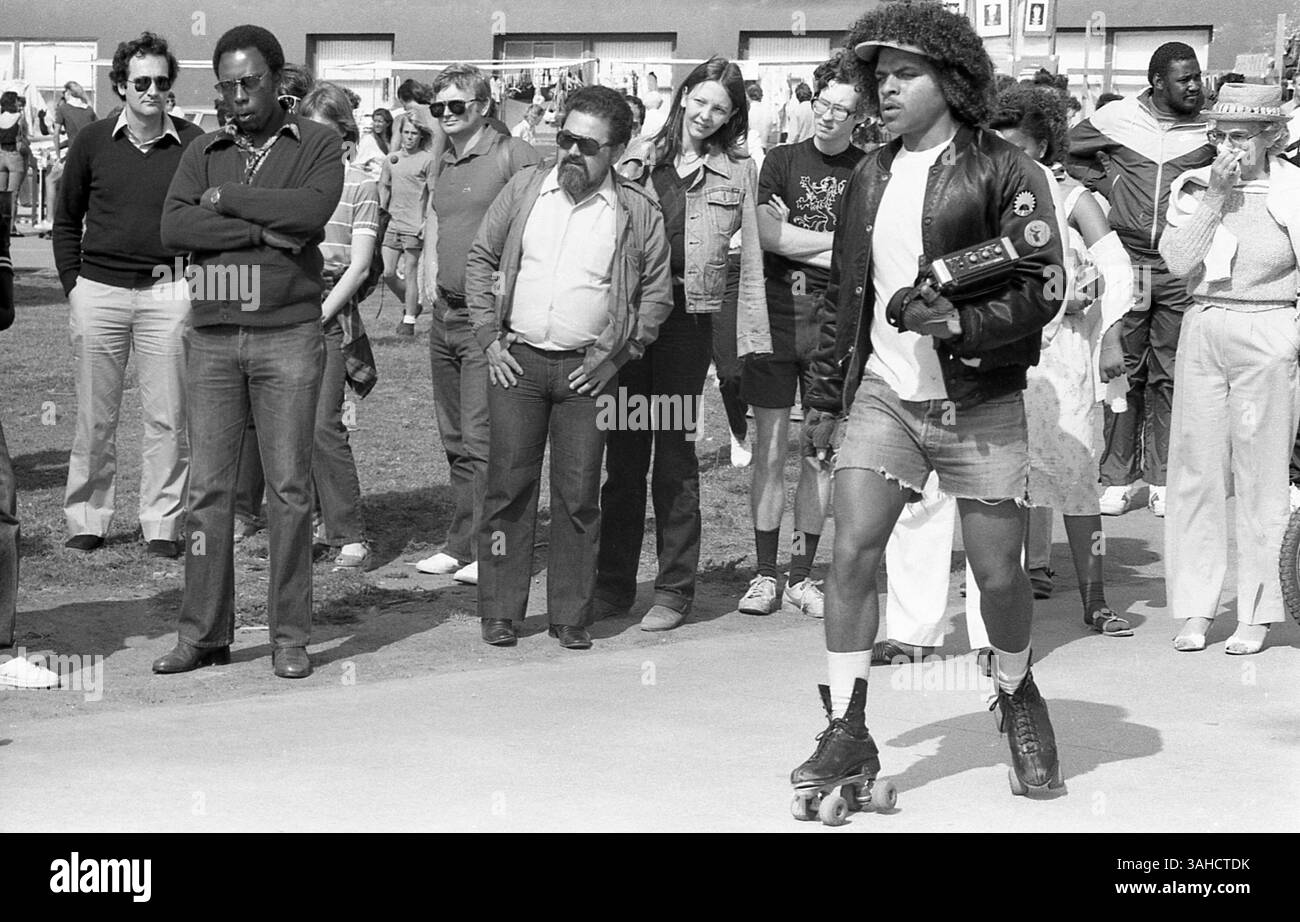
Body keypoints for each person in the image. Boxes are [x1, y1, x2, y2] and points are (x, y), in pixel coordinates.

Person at [790, 3, 1064, 800]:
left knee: (998, 577)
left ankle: (1015, 692)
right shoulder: (870, 174)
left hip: (978, 399)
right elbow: (850, 295)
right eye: (880, 76)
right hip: (886, 397)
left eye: (905, 74)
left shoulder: (1008, 170)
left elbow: (1045, 283)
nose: (887, 89)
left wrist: (964, 321)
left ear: (951, 79)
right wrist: (822, 393)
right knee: (851, 553)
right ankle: (847, 729)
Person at [153, 24, 344, 679]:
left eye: (249, 83)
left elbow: (312, 214)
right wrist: (269, 228)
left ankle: (290, 636)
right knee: (208, 492)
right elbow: (174, 225)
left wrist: (230, 202)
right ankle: (204, 633)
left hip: (288, 336)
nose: (236, 96)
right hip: (211, 337)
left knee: (288, 492)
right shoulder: (203, 147)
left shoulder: (317, 141)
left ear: (276, 79)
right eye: (226, 85)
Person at [465, 85, 674, 649]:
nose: (570, 152)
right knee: (507, 491)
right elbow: (482, 256)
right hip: (519, 366)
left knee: (579, 497)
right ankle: (500, 610)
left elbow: (656, 295)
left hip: (589, 375)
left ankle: (569, 615)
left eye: (586, 144)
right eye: (565, 138)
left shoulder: (635, 209)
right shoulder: (527, 189)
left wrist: (618, 358)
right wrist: (489, 336)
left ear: (616, 150)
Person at [594, 56, 770, 632]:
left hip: (687, 327)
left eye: (721, 109)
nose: (707, 114)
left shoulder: (738, 171)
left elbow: (754, 264)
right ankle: (613, 587)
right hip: (631, 322)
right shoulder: (634, 157)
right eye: (701, 100)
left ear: (732, 116)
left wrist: (748, 337)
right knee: (622, 459)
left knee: (672, 458)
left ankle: (674, 592)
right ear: (684, 94)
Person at [1160, 84, 1300, 656]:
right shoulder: (1194, 187)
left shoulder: (1292, 189)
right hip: (1205, 322)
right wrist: (1215, 196)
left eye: (1239, 135)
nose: (1226, 145)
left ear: (1271, 137)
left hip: (1269, 328)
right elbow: (1176, 260)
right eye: (1218, 133)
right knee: (1195, 472)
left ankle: (1258, 611)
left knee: (1262, 475)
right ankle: (1196, 605)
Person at [988, 83, 1133, 634]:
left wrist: (1106, 326)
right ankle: (1009, 583)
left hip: (1066, 357)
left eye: (1018, 148)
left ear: (1042, 144)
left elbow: (1119, 270)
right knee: (1007, 472)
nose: (1008, 160)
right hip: (1005, 355)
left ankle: (1095, 598)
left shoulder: (1075, 198)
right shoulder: (987, 199)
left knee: (1075, 477)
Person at [53, 32, 203, 559]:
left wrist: (190, 287)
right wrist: (75, 287)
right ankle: (88, 516)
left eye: (162, 82)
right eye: (142, 82)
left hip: (168, 294)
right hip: (99, 292)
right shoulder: (92, 141)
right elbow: (66, 219)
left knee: (168, 417)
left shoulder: (193, 143)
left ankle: (161, 523)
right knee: (96, 416)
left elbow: (207, 221)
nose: (153, 91)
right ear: (121, 85)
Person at [739, 60, 867, 620]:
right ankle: (764, 575)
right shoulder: (781, 159)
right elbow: (767, 234)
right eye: (822, 102)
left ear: (859, 118)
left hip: (834, 323)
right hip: (774, 315)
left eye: (841, 108)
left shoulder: (870, 170)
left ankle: (800, 576)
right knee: (768, 449)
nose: (828, 115)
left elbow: (865, 249)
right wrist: (834, 244)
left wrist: (802, 240)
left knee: (818, 452)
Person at [1067, 42, 1214, 518]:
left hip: (1179, 261)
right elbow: (1072, 154)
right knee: (1122, 371)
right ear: (1157, 83)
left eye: (1197, 77)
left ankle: (1162, 478)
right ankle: (1117, 478)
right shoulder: (1116, 119)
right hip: (1128, 261)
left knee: (1170, 374)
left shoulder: (1209, 128)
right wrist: (1110, 187)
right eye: (1185, 79)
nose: (1196, 86)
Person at [412, 63, 539, 585]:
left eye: (456, 106)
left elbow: (540, 228)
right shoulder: (444, 159)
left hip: (488, 321)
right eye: (438, 108)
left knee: (483, 438)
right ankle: (461, 542)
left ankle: (491, 549)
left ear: (483, 106)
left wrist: (507, 312)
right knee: (455, 438)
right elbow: (437, 226)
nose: (445, 115)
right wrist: (424, 288)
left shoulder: (514, 155)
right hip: (444, 316)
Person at [299, 81, 379, 570]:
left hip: (327, 318)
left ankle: (349, 533)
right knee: (286, 429)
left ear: (344, 136)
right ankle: (303, 525)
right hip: (284, 311)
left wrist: (323, 312)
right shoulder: (288, 183)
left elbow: (361, 265)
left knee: (324, 425)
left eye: (324, 133)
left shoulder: (361, 185)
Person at [381, 117, 434, 335]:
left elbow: (432, 192)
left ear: (421, 135)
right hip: (393, 222)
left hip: (414, 225)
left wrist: (426, 221)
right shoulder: (391, 159)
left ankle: (409, 320)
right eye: (406, 133)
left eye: (414, 133)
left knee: (411, 272)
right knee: (387, 272)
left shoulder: (428, 160)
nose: (410, 137)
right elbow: (384, 185)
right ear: (400, 134)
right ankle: (413, 303)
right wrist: (381, 211)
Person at [0, 92, 29, 237]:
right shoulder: (19, 118)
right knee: (12, 194)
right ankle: (10, 228)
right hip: (14, 156)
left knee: (1, 193)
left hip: (1, 155)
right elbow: (24, 135)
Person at [355, 107, 392, 178]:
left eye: (380, 121)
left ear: (388, 123)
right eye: (375, 121)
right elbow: (358, 165)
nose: (376, 124)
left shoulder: (392, 141)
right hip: (374, 180)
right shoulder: (368, 140)